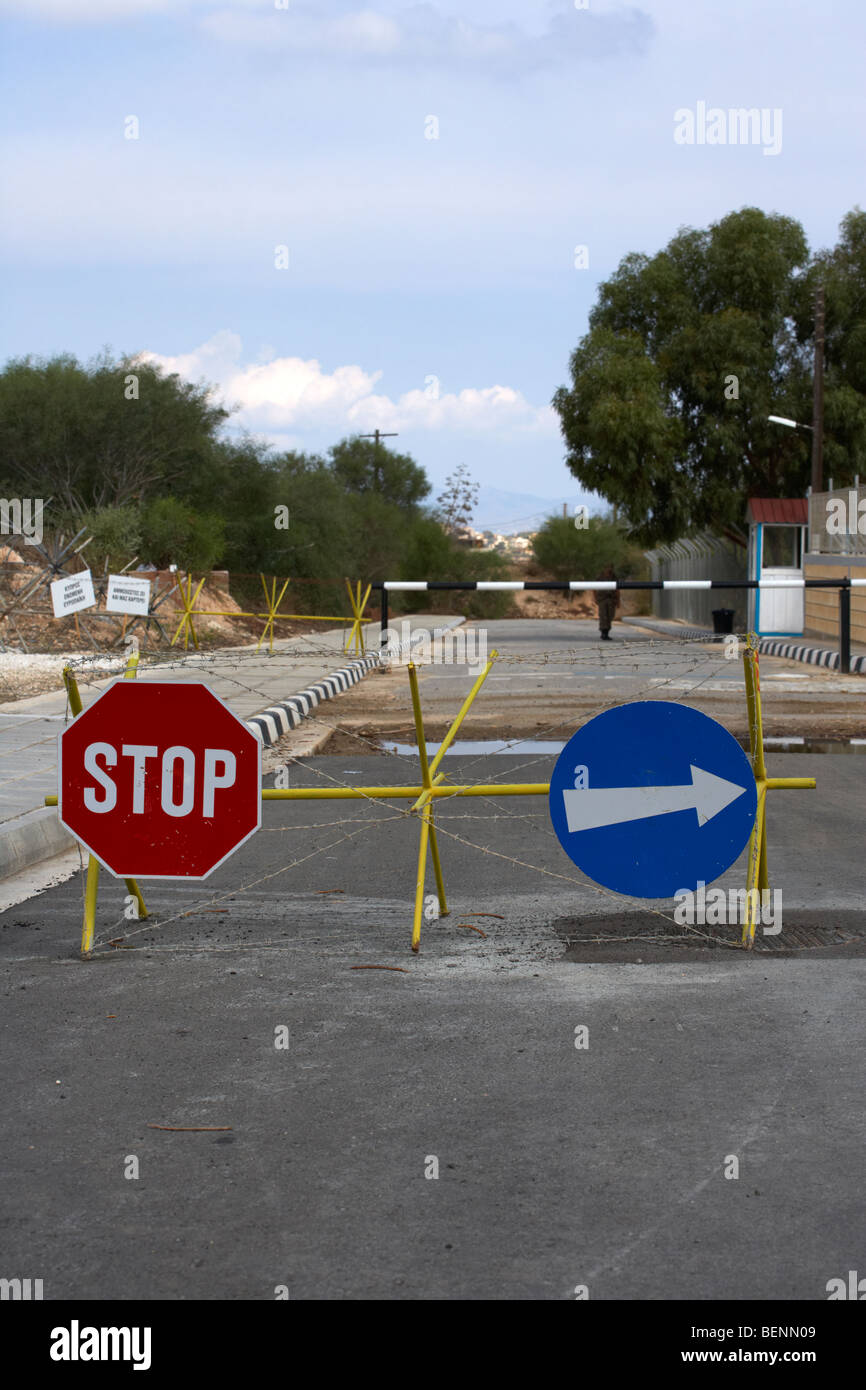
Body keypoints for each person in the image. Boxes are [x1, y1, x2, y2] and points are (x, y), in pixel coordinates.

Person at [595, 564, 620, 640]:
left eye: (610, 567)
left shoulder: (614, 576)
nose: (608, 569)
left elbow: (617, 589)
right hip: (602, 599)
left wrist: (618, 601)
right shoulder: (600, 576)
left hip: (611, 599)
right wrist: (595, 598)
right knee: (603, 616)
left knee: (610, 616)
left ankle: (607, 632)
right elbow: (594, 587)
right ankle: (603, 632)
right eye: (607, 567)